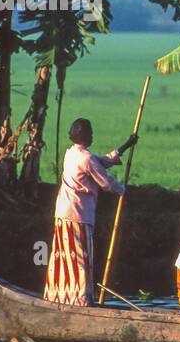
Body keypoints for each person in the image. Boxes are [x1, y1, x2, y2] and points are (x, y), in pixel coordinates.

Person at [43, 118, 137, 306]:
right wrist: (124, 192)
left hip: (64, 212)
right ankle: (79, 300)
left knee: (65, 255)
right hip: (78, 214)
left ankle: (59, 295)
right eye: (91, 133)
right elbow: (106, 183)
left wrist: (124, 147)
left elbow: (100, 162)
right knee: (79, 256)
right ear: (86, 136)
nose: (93, 135)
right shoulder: (85, 159)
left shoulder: (71, 154)